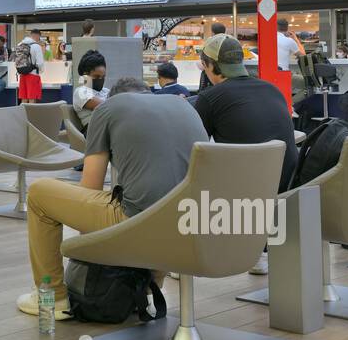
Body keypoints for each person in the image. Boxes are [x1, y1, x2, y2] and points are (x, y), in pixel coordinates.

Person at [17, 77, 207, 320]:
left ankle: (51, 296)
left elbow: (90, 187)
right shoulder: (183, 106)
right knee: (159, 201)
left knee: (40, 193)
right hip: (193, 225)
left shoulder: (107, 109)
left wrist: (90, 247)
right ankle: (149, 290)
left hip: (141, 223)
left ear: (113, 97)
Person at [193, 34, 298, 276]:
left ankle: (187, 256)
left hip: (243, 193)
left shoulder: (210, 98)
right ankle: (259, 251)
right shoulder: (271, 89)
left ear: (210, 66)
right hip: (286, 184)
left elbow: (196, 144)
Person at [72, 50, 108, 132]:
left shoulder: (105, 91)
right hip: (95, 132)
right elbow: (106, 107)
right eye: (96, 76)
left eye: (103, 77)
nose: (100, 80)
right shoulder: (81, 92)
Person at [14, 29, 46, 104]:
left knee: (24, 98)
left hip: (22, 74)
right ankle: (31, 115)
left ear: (31, 35)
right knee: (32, 98)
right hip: (33, 75)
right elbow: (40, 63)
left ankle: (22, 115)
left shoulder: (21, 44)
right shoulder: (36, 46)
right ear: (38, 36)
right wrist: (40, 71)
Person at [197, 22, 228, 93]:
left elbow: (204, 57)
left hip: (212, 71)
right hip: (226, 72)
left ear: (213, 32)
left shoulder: (210, 42)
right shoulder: (228, 40)